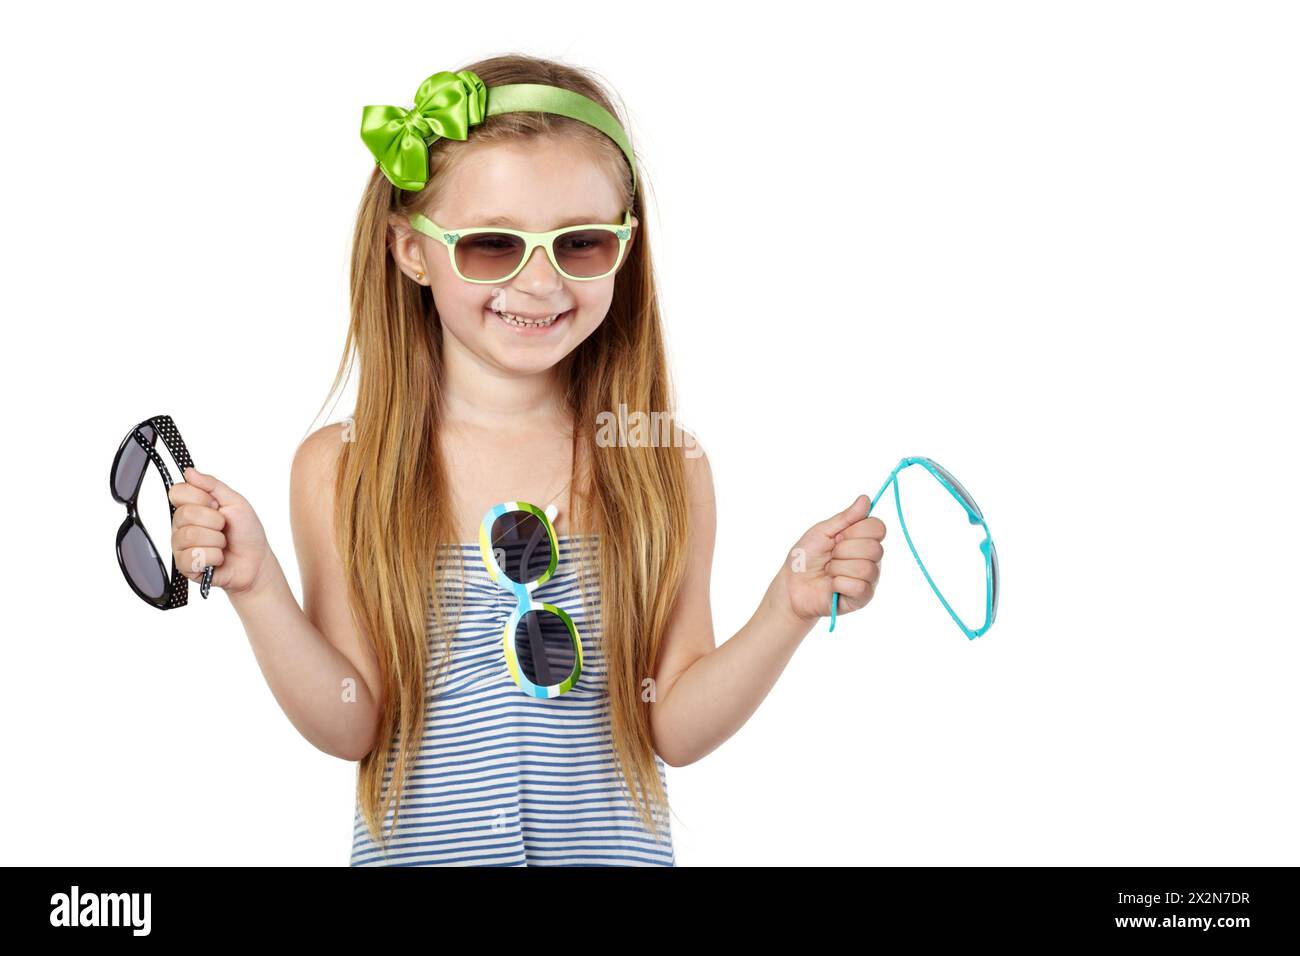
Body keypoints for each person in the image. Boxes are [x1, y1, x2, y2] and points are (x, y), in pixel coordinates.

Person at [166, 52, 886, 866]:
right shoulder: (344, 468)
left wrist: (786, 609)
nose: (539, 283)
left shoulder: (662, 466)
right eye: (489, 246)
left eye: (579, 243)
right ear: (411, 251)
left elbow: (673, 729)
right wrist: (258, 588)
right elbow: (351, 722)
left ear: (625, 245)